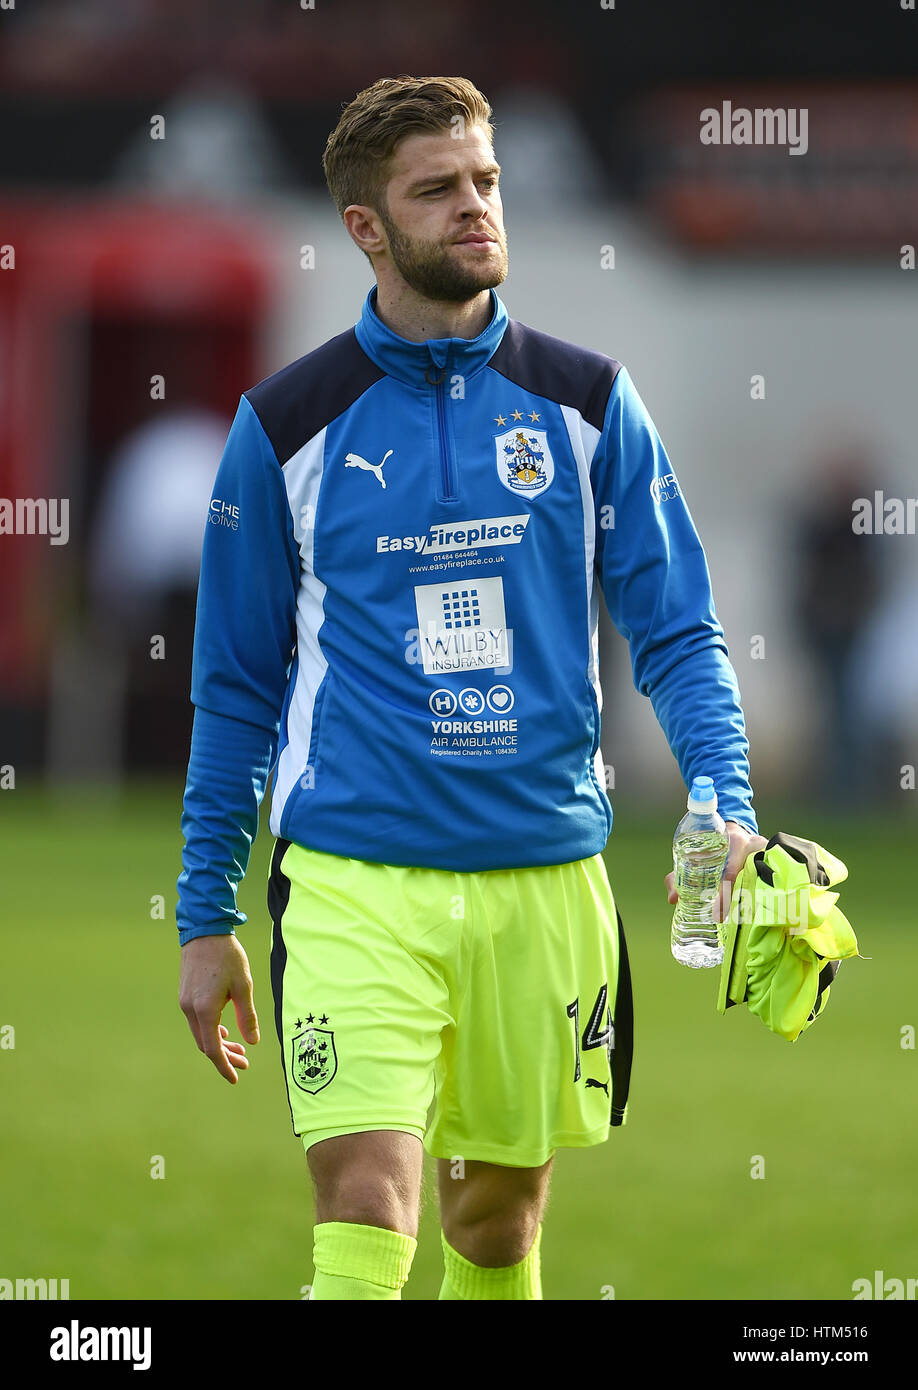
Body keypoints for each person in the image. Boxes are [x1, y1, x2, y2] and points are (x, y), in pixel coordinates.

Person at [176, 75, 763, 1301]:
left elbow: (679, 630)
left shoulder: (591, 403)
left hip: (544, 878)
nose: (476, 208)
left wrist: (723, 794)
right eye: (436, 190)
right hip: (354, 880)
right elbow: (235, 687)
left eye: (485, 182)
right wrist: (203, 913)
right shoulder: (284, 427)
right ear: (366, 227)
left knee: (495, 1224)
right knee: (367, 1202)